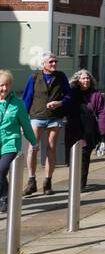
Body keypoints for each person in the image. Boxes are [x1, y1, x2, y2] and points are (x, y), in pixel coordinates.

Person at [22, 53, 72, 196]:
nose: (54, 64)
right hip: (37, 116)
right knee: (33, 148)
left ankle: (47, 182)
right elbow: (27, 98)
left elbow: (69, 95)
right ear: (43, 63)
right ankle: (31, 181)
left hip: (54, 117)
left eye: (55, 61)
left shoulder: (60, 76)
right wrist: (23, 120)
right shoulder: (34, 77)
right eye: (51, 62)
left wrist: (60, 103)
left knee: (51, 148)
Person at [65, 69, 105, 191]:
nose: (86, 80)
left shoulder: (96, 95)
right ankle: (74, 180)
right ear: (77, 80)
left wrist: (103, 133)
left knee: (84, 156)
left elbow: (102, 114)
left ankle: (81, 183)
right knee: (73, 157)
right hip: (73, 129)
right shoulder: (71, 93)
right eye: (83, 78)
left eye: (88, 78)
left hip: (89, 130)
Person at [0, 70, 36, 212]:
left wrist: (34, 142)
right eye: (1, 85)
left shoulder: (17, 104)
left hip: (10, 144)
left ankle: (4, 198)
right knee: (1, 175)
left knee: (0, 171)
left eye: (7, 85)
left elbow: (26, 125)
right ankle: (7, 196)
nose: (4, 88)